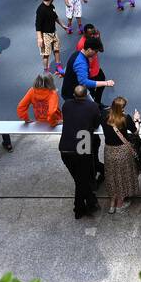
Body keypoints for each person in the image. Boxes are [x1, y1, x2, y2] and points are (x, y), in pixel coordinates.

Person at [59, 84, 102, 218]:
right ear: (86, 95)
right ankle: (82, 206)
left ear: (74, 95)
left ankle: (84, 205)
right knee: (81, 180)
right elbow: (96, 125)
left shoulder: (66, 105)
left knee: (79, 179)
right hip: (82, 146)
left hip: (65, 148)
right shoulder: (93, 107)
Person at [102, 97, 141, 214]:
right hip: (122, 151)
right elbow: (135, 131)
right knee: (122, 176)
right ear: (123, 108)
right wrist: (137, 120)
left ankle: (112, 204)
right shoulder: (125, 118)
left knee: (112, 175)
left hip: (109, 151)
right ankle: (120, 204)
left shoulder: (104, 117)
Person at [34, 0, 64, 74]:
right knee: (46, 54)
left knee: (57, 49)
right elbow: (38, 25)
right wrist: (39, 38)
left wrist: (63, 25)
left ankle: (58, 66)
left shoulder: (51, 6)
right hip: (45, 35)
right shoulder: (40, 10)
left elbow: (55, 17)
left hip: (53, 32)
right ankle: (46, 70)